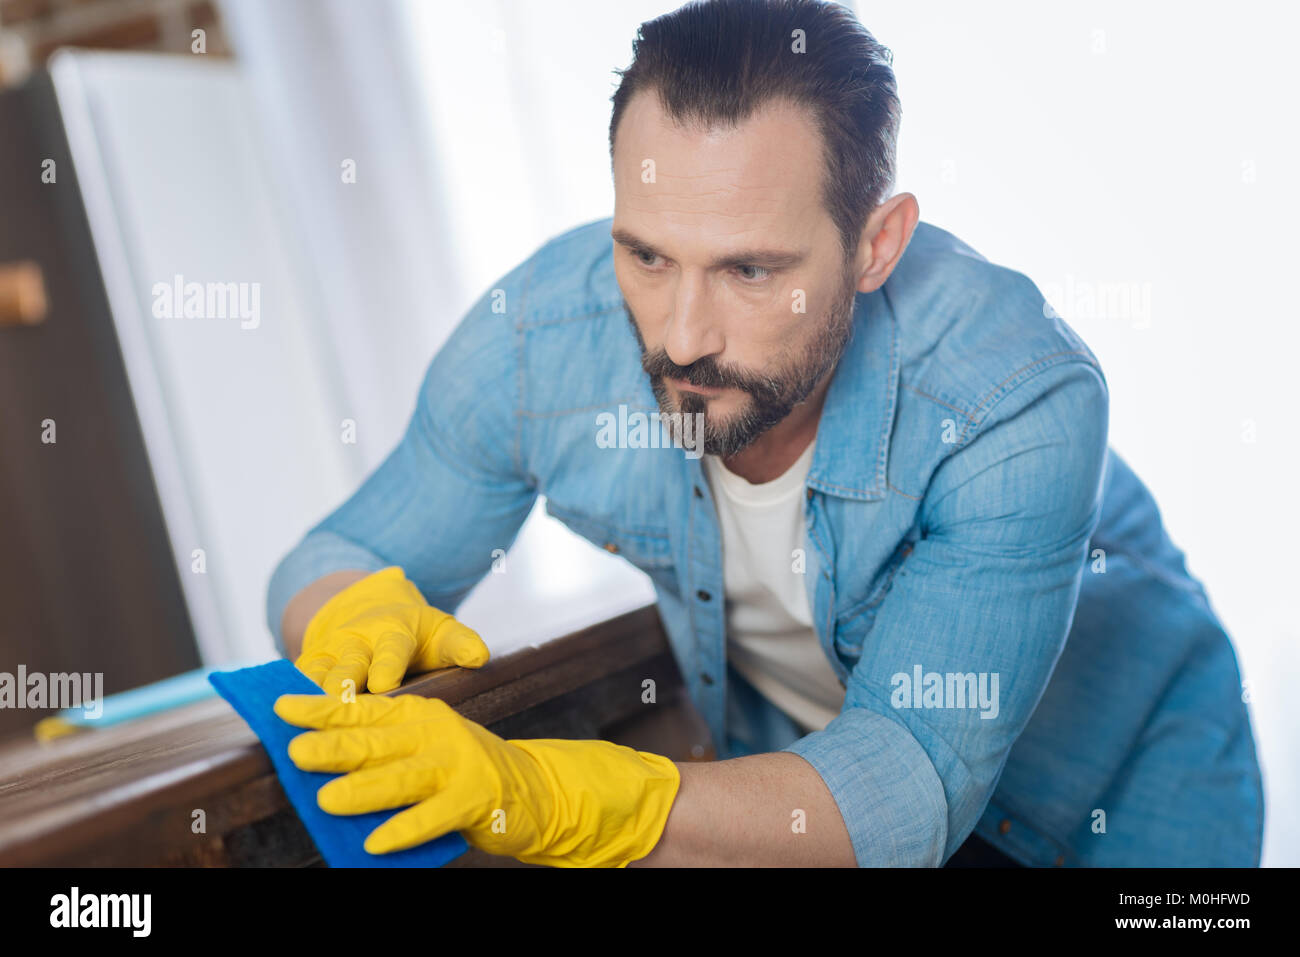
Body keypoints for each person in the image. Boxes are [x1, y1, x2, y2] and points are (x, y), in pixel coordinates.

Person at [266, 0, 1262, 868]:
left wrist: (554, 800)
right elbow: (340, 552)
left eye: (750, 271)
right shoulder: (535, 344)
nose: (681, 337)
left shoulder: (1011, 399)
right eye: (649, 256)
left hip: (1114, 812)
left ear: (877, 243)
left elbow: (904, 787)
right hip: (802, 797)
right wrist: (341, 612)